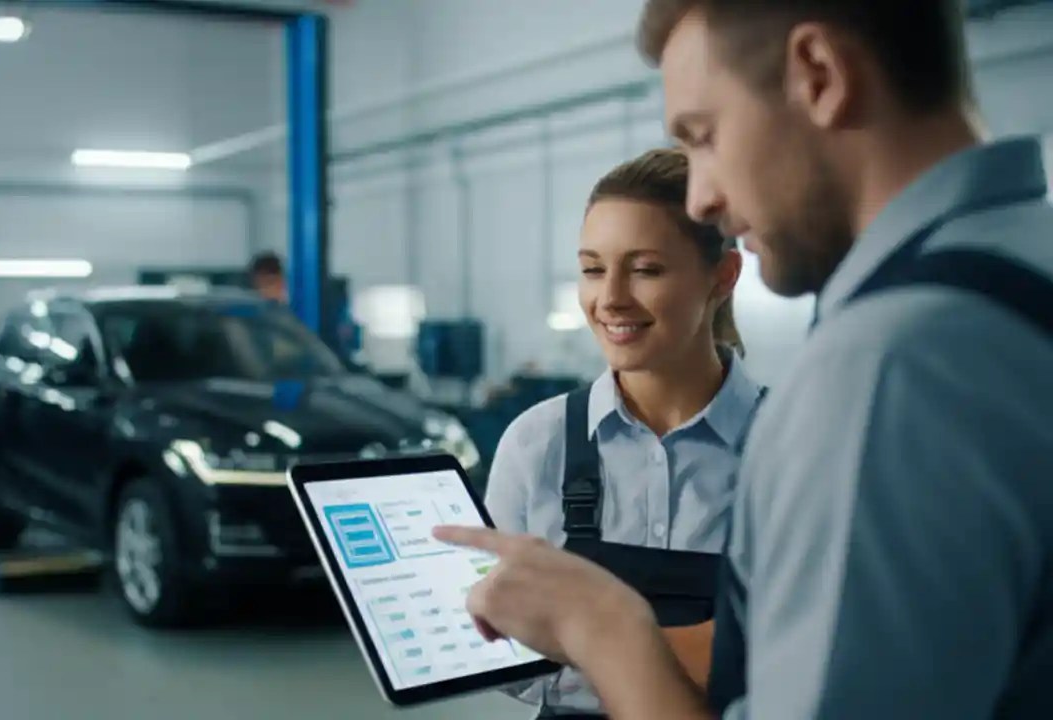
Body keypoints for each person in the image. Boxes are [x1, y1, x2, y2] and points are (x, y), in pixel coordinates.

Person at [435, 1, 1053, 718]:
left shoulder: (882, 368)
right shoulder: (1023, 271)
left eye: (704, 136)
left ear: (820, 75)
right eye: (592, 269)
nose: (705, 196)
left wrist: (605, 630)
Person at [486, 148, 763, 718]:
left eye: (645, 269)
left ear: (723, 276)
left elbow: (802, 655)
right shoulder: (536, 444)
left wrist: (580, 637)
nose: (609, 297)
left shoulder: (790, 445)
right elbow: (502, 653)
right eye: (592, 268)